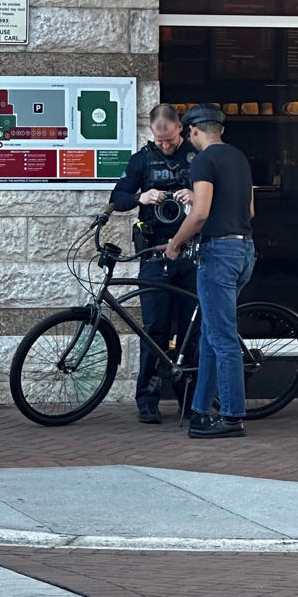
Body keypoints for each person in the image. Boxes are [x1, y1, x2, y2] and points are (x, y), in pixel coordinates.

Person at [161, 104, 256, 439]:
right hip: (244, 249)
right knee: (211, 335)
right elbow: (249, 209)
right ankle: (200, 412)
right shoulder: (239, 159)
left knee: (222, 337)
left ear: (194, 131)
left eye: (188, 134)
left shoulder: (203, 161)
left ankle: (231, 417)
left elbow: (200, 214)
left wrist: (175, 243)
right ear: (221, 130)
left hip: (218, 254)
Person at [110, 103, 197, 424]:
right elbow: (118, 197)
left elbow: (218, 194)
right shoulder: (142, 160)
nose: (164, 145)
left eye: (170, 140)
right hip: (154, 256)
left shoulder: (195, 157)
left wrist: (194, 194)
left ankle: (191, 400)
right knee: (155, 329)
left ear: (181, 130)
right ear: (152, 132)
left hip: (192, 254)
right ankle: (148, 399)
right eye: (159, 140)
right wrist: (140, 198)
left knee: (193, 329)